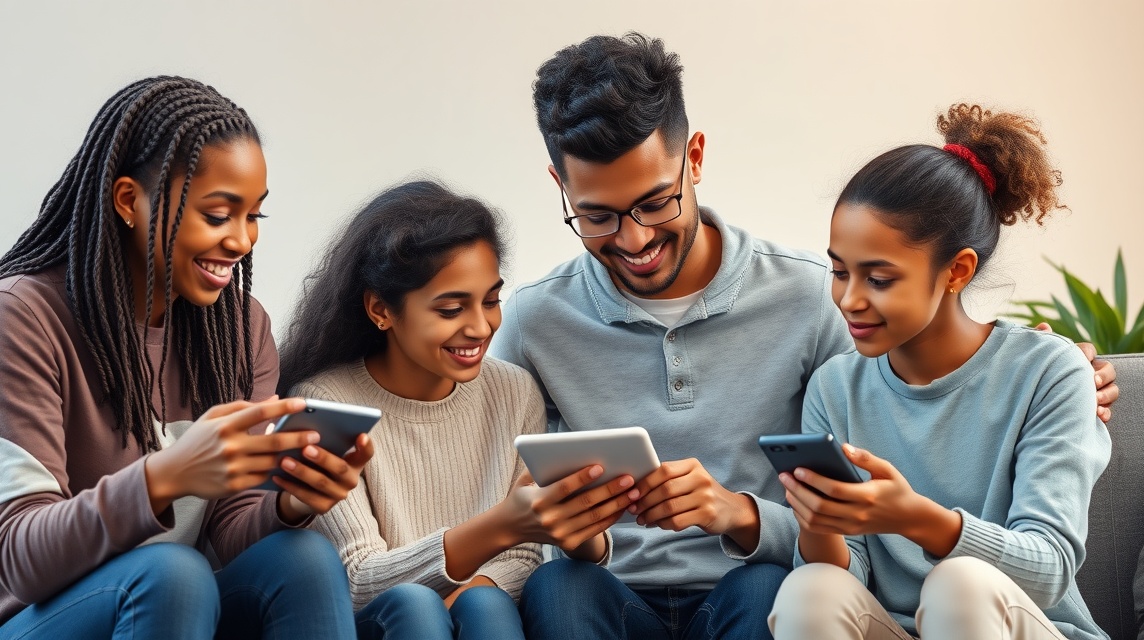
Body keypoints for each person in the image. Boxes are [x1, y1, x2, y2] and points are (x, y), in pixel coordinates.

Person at [494, 33, 1120, 640]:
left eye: (655, 204)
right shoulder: (532, 320)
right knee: (562, 587)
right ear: (561, 187)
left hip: (753, 587)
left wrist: (1057, 364)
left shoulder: (810, 299)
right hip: (614, 591)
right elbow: (469, 444)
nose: (633, 240)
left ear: (695, 160)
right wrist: (557, 520)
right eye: (598, 216)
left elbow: (942, 364)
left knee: (794, 586)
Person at [0, 76, 372, 639]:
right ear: (129, 201)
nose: (242, 240)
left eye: (254, 217)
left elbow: (229, 521)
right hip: (44, 619)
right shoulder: (26, 319)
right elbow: (20, 559)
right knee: (173, 573)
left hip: (178, 601)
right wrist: (163, 477)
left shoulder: (242, 331)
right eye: (219, 215)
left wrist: (290, 504)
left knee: (305, 558)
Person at [767, 104, 1110, 640]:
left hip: (1019, 625)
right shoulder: (835, 387)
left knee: (960, 585)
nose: (849, 300)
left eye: (878, 279)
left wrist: (914, 517)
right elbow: (845, 574)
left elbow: (1049, 569)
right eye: (838, 272)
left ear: (957, 271)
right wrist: (819, 522)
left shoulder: (1048, 371)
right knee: (808, 591)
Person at [276, 180, 639, 639]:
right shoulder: (327, 405)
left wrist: (466, 593)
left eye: (491, 301)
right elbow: (357, 583)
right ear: (380, 310)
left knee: (484, 603)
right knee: (417, 607)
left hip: (484, 618)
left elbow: (520, 562)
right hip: (386, 625)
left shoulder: (513, 392)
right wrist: (499, 527)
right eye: (451, 309)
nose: (480, 326)